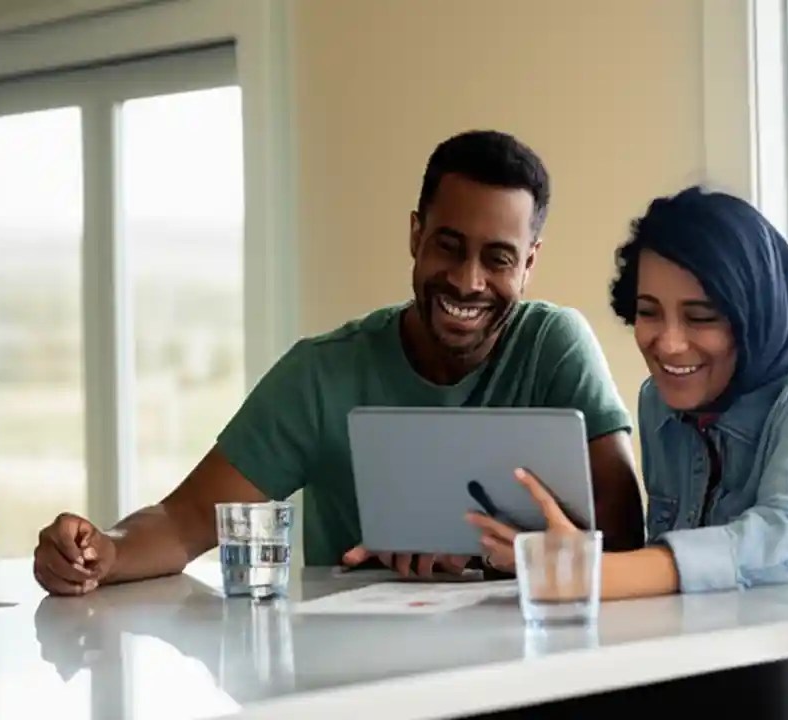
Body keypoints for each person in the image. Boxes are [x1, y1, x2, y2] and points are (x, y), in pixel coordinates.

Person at [32, 129, 645, 596]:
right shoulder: (323, 373)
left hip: (530, 669)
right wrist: (103, 552)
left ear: (530, 263)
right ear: (415, 235)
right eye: (448, 247)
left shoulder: (555, 345)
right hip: (356, 673)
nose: (468, 280)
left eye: (499, 259)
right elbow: (188, 516)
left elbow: (623, 536)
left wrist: (492, 555)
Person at [469, 185, 788, 595]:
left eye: (701, 316)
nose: (669, 343)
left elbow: (784, 546)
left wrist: (589, 571)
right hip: (716, 668)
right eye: (648, 312)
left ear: (753, 316)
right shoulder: (658, 402)